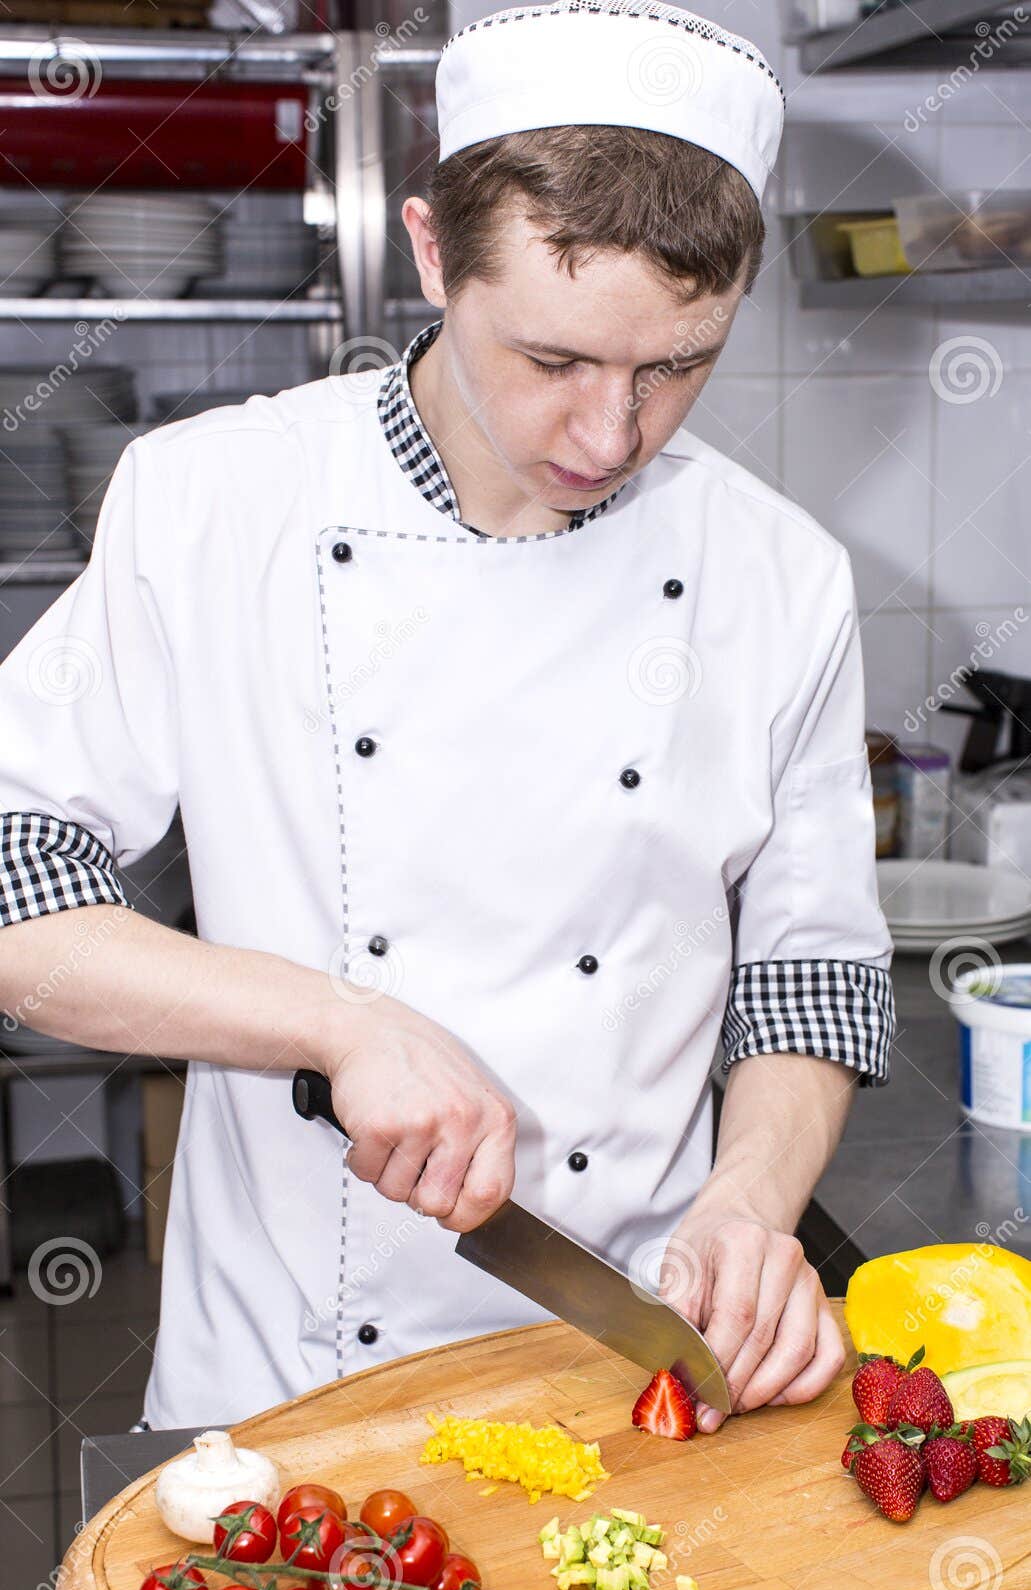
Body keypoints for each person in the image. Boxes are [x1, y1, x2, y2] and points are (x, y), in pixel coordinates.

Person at [0, 1, 893, 1432]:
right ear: (430, 250)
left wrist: (750, 1199)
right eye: (555, 361)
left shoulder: (780, 573)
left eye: (677, 368)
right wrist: (333, 1021)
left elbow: (809, 971)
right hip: (299, 1384)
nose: (613, 439)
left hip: (637, 1363)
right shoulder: (214, 501)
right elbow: (12, 883)